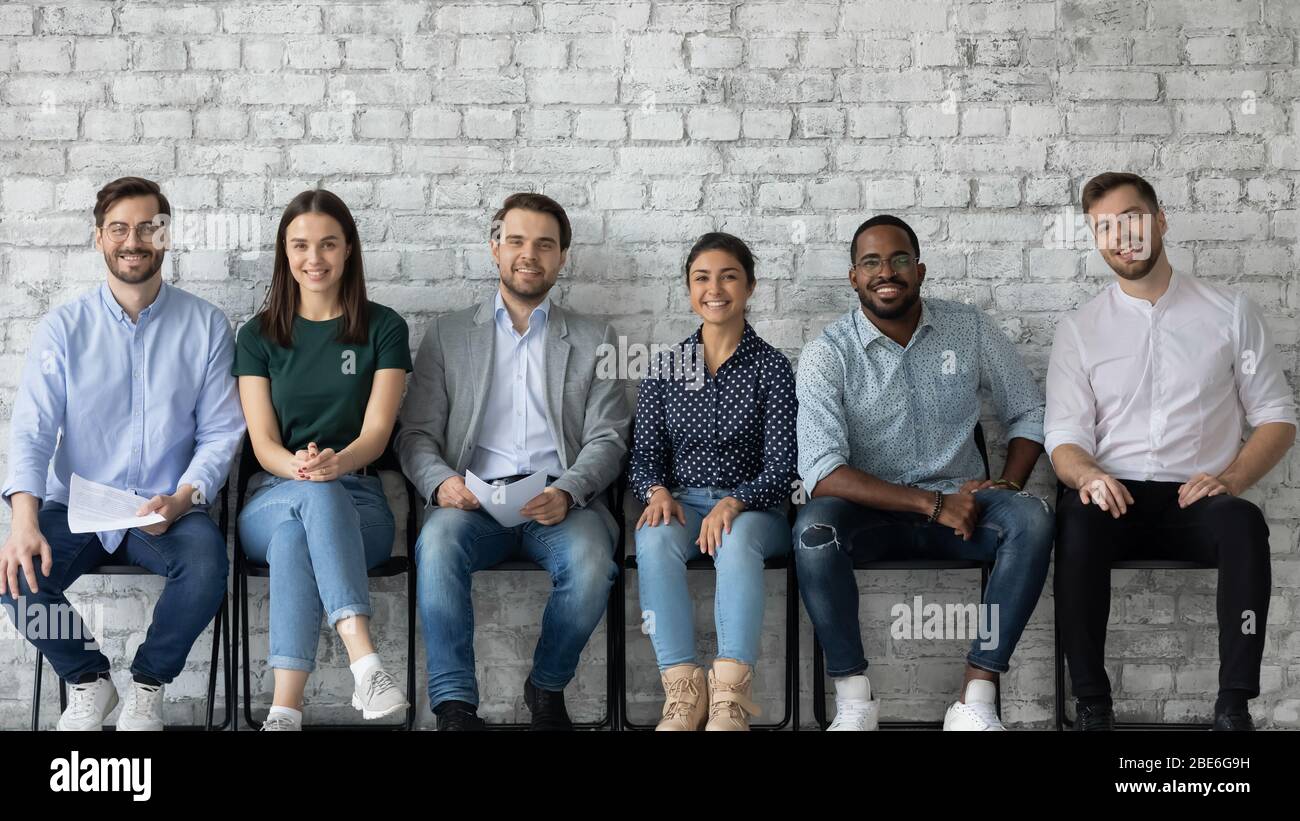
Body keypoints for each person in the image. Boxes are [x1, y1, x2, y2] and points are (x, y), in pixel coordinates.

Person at [1046, 172, 1296, 731]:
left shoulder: (1230, 312)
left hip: (1197, 496)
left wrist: (1230, 479)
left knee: (1243, 523)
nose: (1120, 236)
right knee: (1076, 522)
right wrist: (1086, 474)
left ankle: (1234, 707)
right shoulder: (1080, 329)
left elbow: (1277, 418)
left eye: (1131, 218)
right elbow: (1064, 439)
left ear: (1160, 220)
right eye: (1103, 227)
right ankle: (1092, 707)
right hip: (1115, 497)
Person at [0, 176, 243, 730]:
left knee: (206, 567)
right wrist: (23, 520)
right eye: (118, 229)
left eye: (146, 228)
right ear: (99, 238)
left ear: (165, 236)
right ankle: (89, 680)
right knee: (13, 577)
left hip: (166, 507)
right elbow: (33, 430)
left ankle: (148, 686)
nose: (132, 241)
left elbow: (220, 434)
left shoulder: (206, 326)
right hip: (76, 508)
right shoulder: (62, 328)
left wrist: (181, 500)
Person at [794, 214, 1053, 731]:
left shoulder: (969, 328)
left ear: (920, 269)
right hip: (869, 517)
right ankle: (853, 702)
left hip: (966, 514)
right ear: (853, 277)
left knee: (1033, 519)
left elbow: (1028, 411)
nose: (885, 271)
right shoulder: (829, 352)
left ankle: (975, 701)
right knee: (813, 529)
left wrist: (1006, 483)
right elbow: (822, 472)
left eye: (899, 259)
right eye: (871, 262)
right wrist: (932, 504)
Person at [397, 192, 629, 731]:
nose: (530, 254)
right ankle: (455, 707)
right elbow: (415, 435)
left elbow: (609, 438)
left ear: (562, 257)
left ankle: (546, 688)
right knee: (435, 545)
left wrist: (569, 491)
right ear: (494, 248)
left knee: (595, 563)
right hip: (473, 500)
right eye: (517, 241)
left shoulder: (596, 339)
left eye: (545, 244)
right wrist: (442, 485)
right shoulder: (449, 334)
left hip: (560, 501)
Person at [234, 189, 412, 730]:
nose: (315, 258)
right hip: (273, 495)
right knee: (304, 503)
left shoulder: (384, 328)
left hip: (361, 507)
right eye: (301, 245)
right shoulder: (258, 336)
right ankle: (366, 661)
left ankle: (284, 711)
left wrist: (337, 464)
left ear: (350, 249)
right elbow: (264, 444)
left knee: (298, 537)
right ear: (284, 253)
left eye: (328, 244)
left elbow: (378, 433)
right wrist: (305, 470)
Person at [630, 232, 796, 731]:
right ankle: (683, 693)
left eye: (729, 276)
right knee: (653, 538)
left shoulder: (773, 367)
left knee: (737, 537)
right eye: (702, 277)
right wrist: (656, 491)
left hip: (756, 512)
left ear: (750, 287)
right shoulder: (665, 368)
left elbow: (785, 465)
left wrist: (735, 502)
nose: (715, 288)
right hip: (682, 505)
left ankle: (730, 697)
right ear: (688, 289)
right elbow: (644, 457)